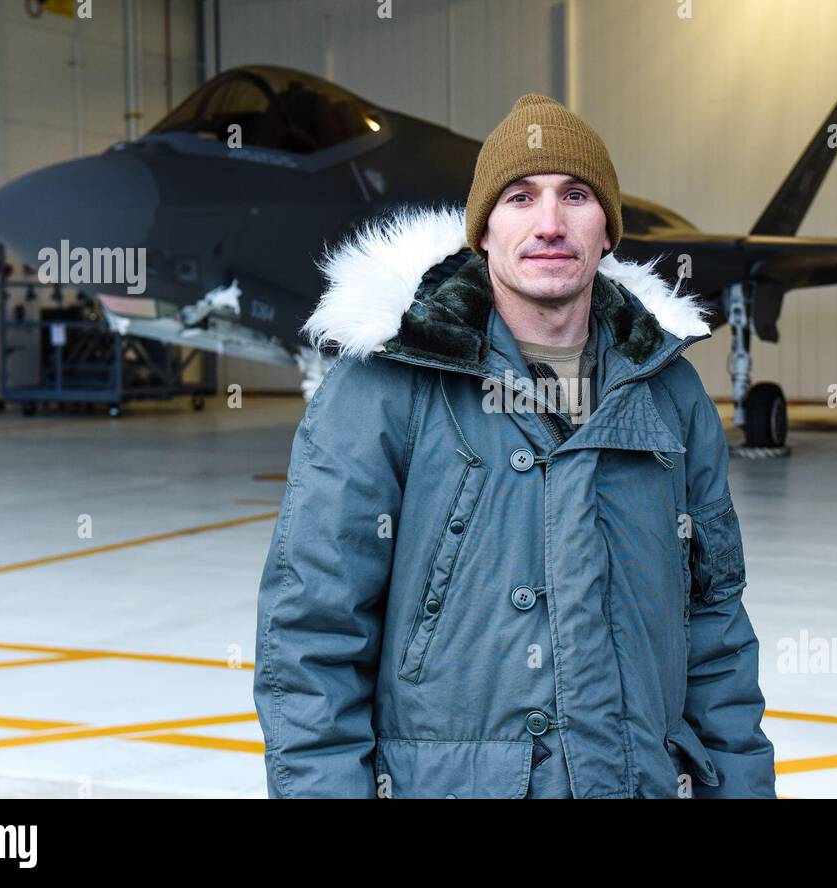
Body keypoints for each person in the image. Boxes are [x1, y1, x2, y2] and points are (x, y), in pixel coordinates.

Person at [253, 94, 775, 798]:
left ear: (608, 231)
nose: (550, 223)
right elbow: (312, 632)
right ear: (484, 230)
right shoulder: (382, 387)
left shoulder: (670, 396)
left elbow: (716, 629)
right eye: (521, 196)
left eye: (577, 195)